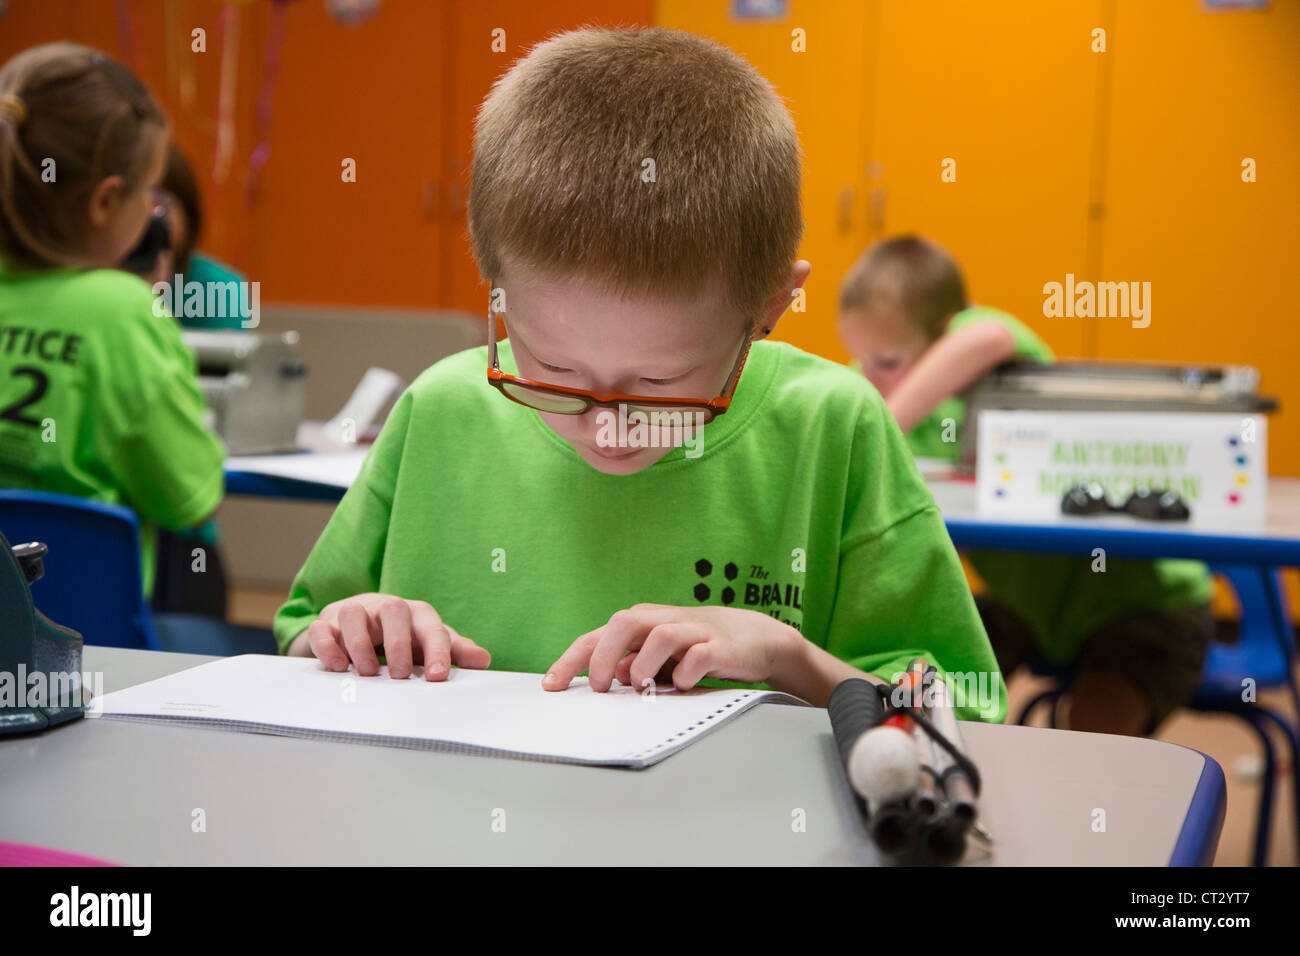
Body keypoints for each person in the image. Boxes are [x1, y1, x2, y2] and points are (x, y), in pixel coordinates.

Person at [273, 28, 1005, 719]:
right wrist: (347, 629)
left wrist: (790, 657)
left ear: (769, 307)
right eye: (552, 368)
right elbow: (303, 631)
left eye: (659, 384)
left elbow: (955, 707)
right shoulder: (441, 408)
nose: (608, 427)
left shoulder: (832, 426)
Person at [838, 235, 1213, 735]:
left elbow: (987, 335)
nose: (872, 377)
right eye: (860, 360)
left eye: (886, 362)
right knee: (917, 672)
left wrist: (884, 421)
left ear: (946, 329)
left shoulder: (988, 353)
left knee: (1095, 724)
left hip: (1146, 605)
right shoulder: (885, 385)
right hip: (1028, 607)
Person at [0, 42, 225, 599]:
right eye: (148, 192)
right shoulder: (121, 311)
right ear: (104, 202)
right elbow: (192, 498)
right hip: (83, 645)